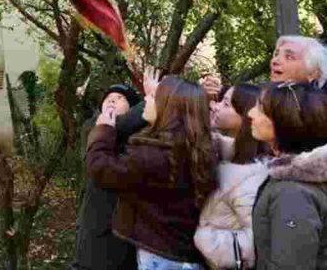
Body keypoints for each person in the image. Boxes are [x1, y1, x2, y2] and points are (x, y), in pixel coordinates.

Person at [87, 74, 216, 270]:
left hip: (163, 260)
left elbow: (101, 168)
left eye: (153, 96)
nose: (145, 99)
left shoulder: (157, 153)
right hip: (182, 254)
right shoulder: (193, 144)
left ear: (169, 107)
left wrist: (104, 129)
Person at [248, 82, 327, 270]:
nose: (250, 114)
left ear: (286, 120)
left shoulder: (292, 193)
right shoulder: (294, 179)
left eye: (260, 108)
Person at [72, 84, 144, 270]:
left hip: (130, 231)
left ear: (131, 107)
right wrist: (153, 98)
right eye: (109, 97)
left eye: (120, 98)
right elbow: (120, 125)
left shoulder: (141, 133)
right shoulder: (91, 127)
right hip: (96, 229)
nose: (113, 100)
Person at [195, 84, 267, 269]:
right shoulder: (225, 154)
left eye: (226, 104)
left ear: (246, 117)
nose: (215, 106)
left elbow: (256, 240)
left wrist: (204, 238)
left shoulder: (250, 175)